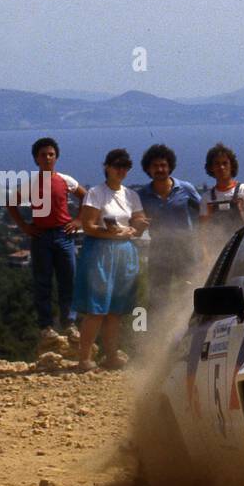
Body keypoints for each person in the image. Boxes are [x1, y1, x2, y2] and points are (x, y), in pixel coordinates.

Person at [5, 137, 87, 351]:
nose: (47, 158)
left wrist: (78, 221)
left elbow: (85, 197)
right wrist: (24, 226)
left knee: (68, 280)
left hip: (64, 235)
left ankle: (69, 323)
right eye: (43, 155)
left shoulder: (66, 180)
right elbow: (11, 202)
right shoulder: (30, 183)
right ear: (36, 159)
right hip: (40, 237)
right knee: (43, 283)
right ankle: (47, 327)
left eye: (51, 154)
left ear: (56, 157)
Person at [74, 149, 147, 371]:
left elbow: (138, 220)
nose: (121, 170)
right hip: (100, 252)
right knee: (97, 309)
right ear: (107, 167)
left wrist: (140, 226)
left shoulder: (131, 195)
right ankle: (84, 358)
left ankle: (111, 355)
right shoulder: (96, 193)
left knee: (116, 309)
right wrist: (113, 233)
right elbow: (88, 226)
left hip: (125, 252)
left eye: (125, 166)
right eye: (117, 166)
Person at [136, 143, 201, 302]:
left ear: (170, 167)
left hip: (186, 248)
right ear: (148, 169)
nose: (160, 169)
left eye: (163, 165)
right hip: (159, 248)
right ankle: (158, 326)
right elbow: (136, 220)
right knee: (158, 294)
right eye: (155, 166)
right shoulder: (142, 195)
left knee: (190, 291)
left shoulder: (185, 188)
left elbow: (203, 211)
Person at [198, 143, 244, 254]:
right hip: (217, 251)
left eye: (225, 163)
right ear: (211, 168)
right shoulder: (207, 198)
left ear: (232, 166)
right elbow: (204, 232)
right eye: (217, 164)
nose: (221, 167)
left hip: (243, 249)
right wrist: (205, 254)